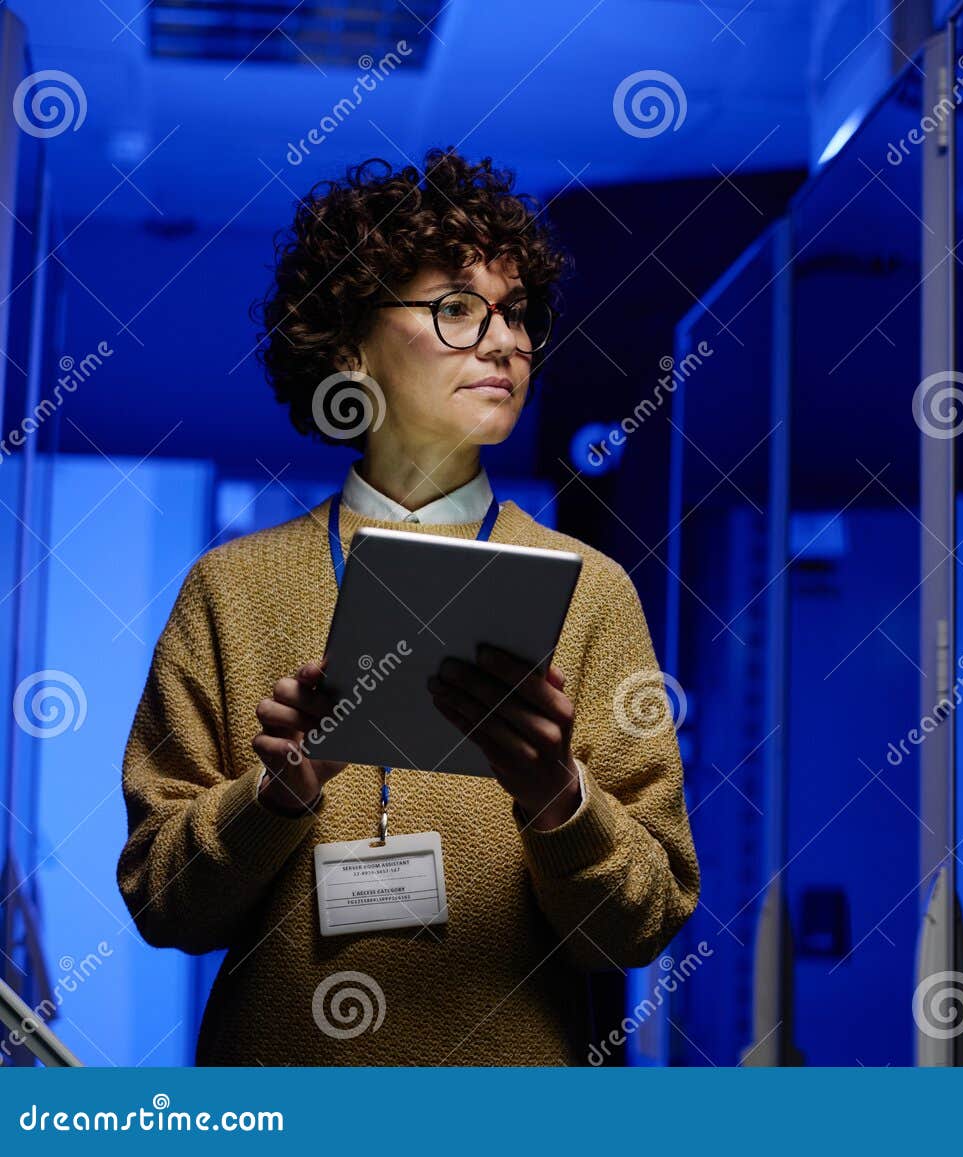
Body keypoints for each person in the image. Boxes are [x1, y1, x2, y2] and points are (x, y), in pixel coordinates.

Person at [115, 147, 700, 1065]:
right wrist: (276, 795)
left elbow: (644, 925)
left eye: (517, 315)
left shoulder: (592, 587)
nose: (506, 342)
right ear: (349, 346)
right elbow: (161, 902)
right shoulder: (229, 589)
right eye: (458, 309)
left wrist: (560, 795)